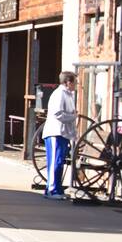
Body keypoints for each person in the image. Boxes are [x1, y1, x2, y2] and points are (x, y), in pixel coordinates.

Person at [42, 71, 77, 199]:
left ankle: (56, 188)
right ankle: (52, 190)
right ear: (68, 82)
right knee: (55, 162)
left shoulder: (68, 94)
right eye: (74, 82)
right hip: (55, 132)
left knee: (59, 162)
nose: (76, 85)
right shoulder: (60, 94)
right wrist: (73, 116)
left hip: (62, 133)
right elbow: (58, 113)